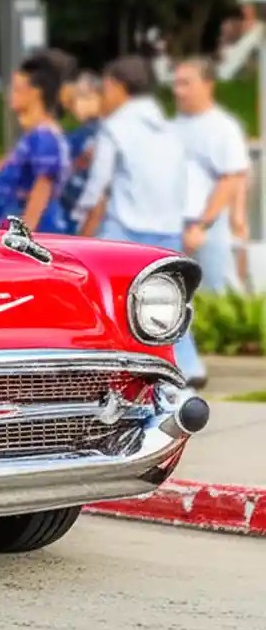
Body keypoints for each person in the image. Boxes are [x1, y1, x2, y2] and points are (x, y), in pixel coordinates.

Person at [74, 55, 201, 386]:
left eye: (105, 88)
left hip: (126, 228)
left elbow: (96, 186)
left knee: (115, 303)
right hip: (167, 228)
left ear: (118, 87)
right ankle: (189, 367)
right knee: (171, 299)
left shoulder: (115, 128)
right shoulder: (169, 129)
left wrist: (78, 220)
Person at [172, 56, 250, 294]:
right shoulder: (173, 126)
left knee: (212, 294)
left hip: (207, 226)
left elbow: (231, 178)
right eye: (176, 84)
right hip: (173, 223)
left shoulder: (223, 127)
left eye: (186, 83)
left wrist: (202, 226)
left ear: (208, 84)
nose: (178, 91)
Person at [0, 50, 72, 233]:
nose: (10, 94)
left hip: (35, 235)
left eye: (16, 88)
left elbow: (41, 190)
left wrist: (23, 238)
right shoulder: (36, 135)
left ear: (35, 93)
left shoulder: (44, 137)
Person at [59, 72, 104, 233]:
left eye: (86, 97)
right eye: (78, 98)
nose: (80, 103)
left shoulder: (94, 134)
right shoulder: (77, 134)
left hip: (86, 217)